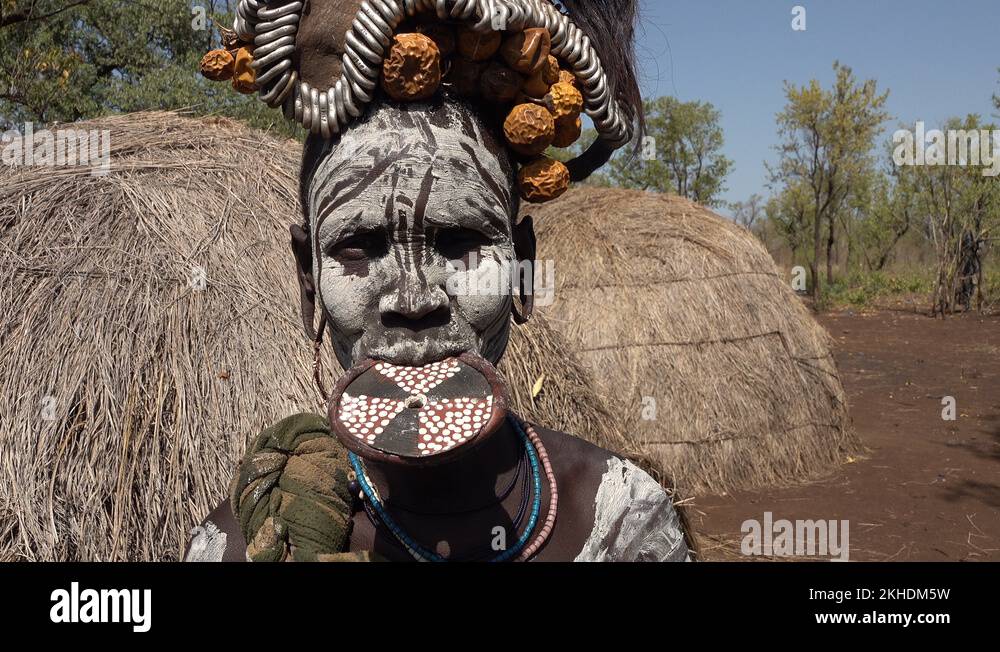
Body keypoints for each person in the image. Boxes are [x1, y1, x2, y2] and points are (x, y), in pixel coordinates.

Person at [186, 0, 688, 562]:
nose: (414, 300)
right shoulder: (244, 546)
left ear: (522, 268)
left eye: (460, 242)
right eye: (359, 247)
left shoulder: (620, 524)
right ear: (309, 281)